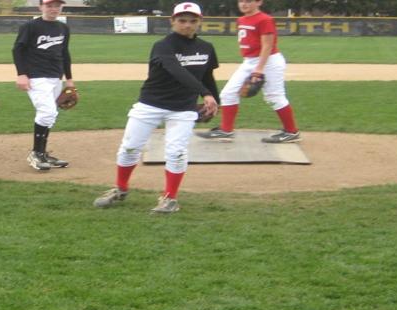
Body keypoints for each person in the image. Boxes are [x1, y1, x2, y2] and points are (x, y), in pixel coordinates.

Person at [93, 2, 219, 215]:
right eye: (182, 20)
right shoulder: (163, 45)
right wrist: (204, 94)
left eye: (192, 21)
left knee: (177, 152)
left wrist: (215, 100)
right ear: (172, 21)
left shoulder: (206, 48)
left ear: (200, 22)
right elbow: (175, 70)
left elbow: (207, 76)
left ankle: (170, 198)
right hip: (151, 104)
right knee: (130, 148)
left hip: (183, 108)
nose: (187, 25)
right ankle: (121, 189)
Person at [197, 0, 301, 144]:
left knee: (274, 96)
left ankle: (291, 132)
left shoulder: (265, 19)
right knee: (228, 93)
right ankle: (226, 131)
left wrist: (258, 70)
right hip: (249, 61)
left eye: (249, 1)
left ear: (259, 2)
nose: (244, 4)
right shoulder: (241, 19)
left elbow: (267, 46)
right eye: (241, 1)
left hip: (269, 61)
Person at [13, 0, 76, 172]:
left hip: (56, 77)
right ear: (41, 7)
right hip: (36, 77)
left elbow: (65, 53)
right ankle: (36, 154)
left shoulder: (63, 28)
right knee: (47, 113)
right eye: (49, 5)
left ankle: (42, 153)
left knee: (51, 115)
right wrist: (21, 74)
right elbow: (18, 49)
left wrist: (69, 79)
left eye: (57, 5)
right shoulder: (31, 26)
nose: (53, 9)